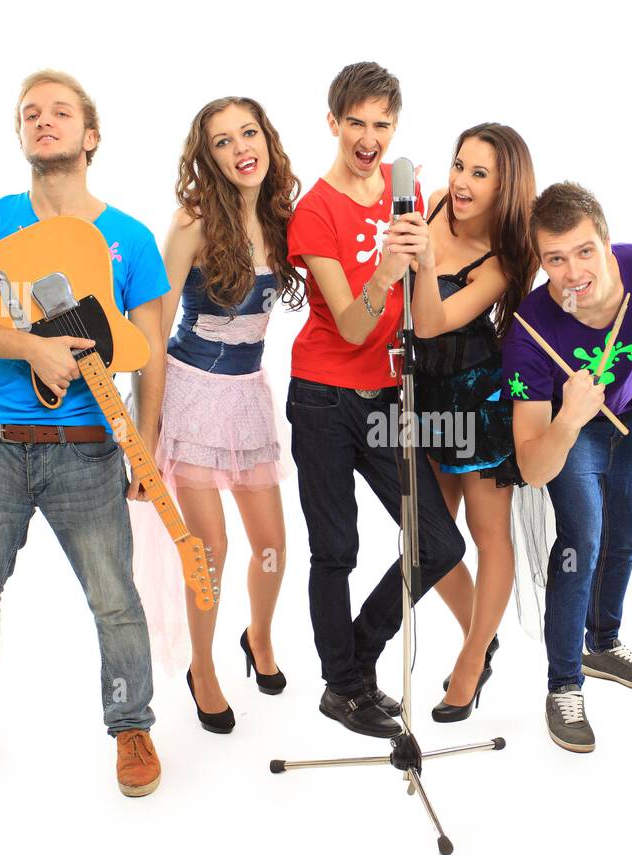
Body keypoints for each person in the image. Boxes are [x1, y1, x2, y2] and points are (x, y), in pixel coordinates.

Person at [0, 70, 170, 796]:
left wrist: (144, 451)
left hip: (89, 452)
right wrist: (30, 347)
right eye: (30, 114)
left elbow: (149, 358)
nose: (44, 121)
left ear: (91, 137)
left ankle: (132, 727)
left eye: (61, 112)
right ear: (23, 136)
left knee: (115, 597)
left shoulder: (129, 238)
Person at [285, 62, 465, 738]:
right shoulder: (316, 212)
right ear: (333, 123)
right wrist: (387, 268)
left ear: (395, 127)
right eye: (355, 123)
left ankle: (358, 660)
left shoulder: (406, 188)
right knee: (336, 550)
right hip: (324, 399)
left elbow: (421, 309)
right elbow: (354, 323)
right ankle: (343, 688)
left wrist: (420, 265)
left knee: (439, 543)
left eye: (381, 124)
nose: (369, 137)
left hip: (390, 396)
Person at [135, 96, 302, 734]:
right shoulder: (195, 221)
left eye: (248, 132)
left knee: (272, 546)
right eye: (224, 141)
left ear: (267, 138)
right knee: (210, 550)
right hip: (191, 393)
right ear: (209, 156)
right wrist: (144, 435)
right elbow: (150, 323)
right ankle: (201, 668)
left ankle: (257, 637)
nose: (241, 148)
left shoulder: (285, 217)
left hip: (248, 394)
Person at [501, 182, 632, 754]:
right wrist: (570, 419)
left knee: (626, 535)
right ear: (540, 260)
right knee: (582, 541)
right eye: (554, 259)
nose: (573, 272)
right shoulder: (530, 327)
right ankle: (564, 684)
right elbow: (530, 466)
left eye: (584, 252)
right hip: (566, 430)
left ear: (606, 241)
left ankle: (603, 642)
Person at [393, 123, 536, 722]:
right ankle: (485, 630)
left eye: (480, 174)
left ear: (505, 189)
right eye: (459, 166)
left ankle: (473, 656)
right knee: (427, 540)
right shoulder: (428, 212)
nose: (462, 182)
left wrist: (424, 262)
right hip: (421, 399)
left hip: (477, 400)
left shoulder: (500, 262)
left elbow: (428, 321)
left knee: (486, 534)